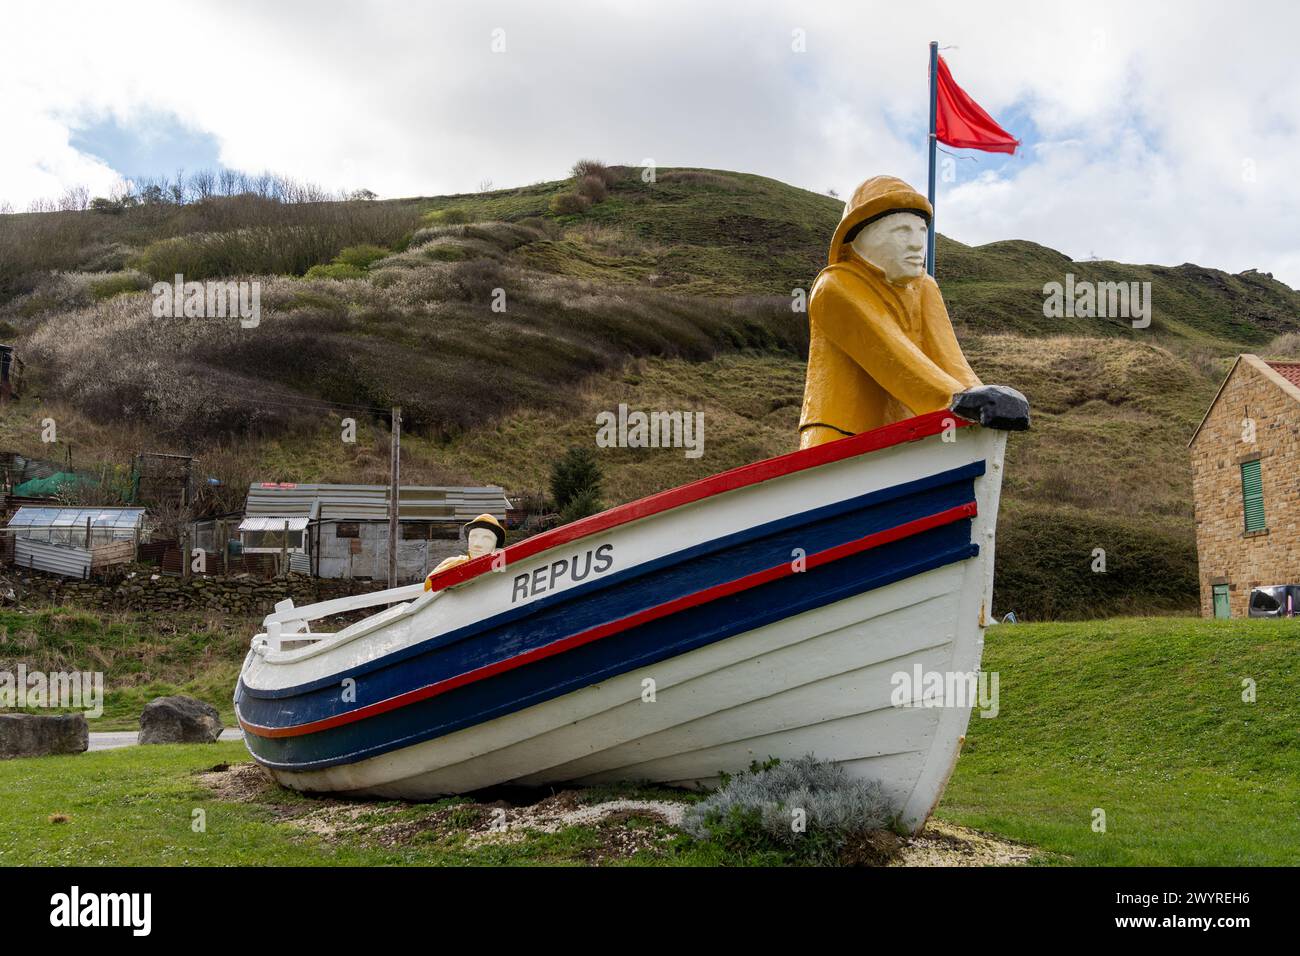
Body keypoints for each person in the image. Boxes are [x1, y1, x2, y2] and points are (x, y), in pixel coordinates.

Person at [798, 175, 1028, 449]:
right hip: (840, 434)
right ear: (860, 236)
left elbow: (948, 357)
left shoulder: (925, 287)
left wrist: (980, 395)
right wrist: (956, 400)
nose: (918, 244)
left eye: (921, 231)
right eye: (902, 231)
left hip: (907, 434)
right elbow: (890, 354)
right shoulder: (835, 286)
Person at [424, 513, 506, 590]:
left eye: (487, 538)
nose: (477, 544)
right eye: (473, 537)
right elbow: (428, 585)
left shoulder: (500, 568)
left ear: (495, 545)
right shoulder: (454, 562)